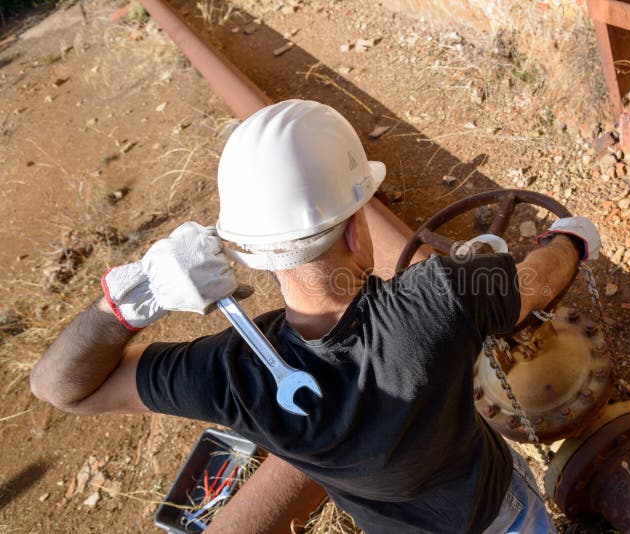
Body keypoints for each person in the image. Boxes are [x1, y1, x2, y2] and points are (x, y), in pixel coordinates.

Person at [30, 100, 600, 533]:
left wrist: (128, 302)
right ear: (356, 229)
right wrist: (570, 239)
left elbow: (61, 389)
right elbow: (541, 279)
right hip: (500, 516)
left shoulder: (228, 374)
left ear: (250, 250)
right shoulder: (442, 297)